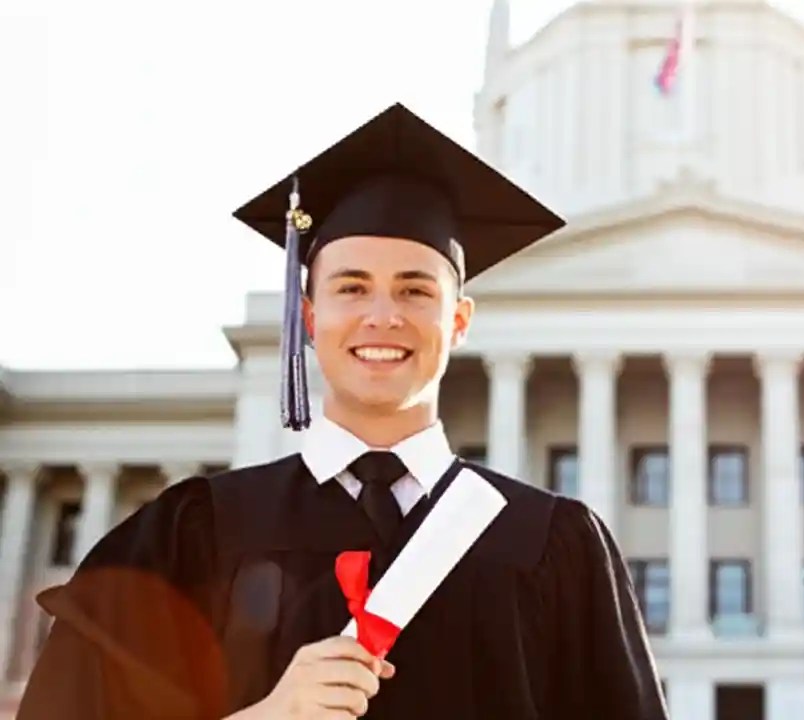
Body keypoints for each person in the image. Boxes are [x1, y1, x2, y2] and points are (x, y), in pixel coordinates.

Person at [18, 102, 669, 719]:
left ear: (460, 320)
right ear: (308, 316)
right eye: (351, 287)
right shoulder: (196, 534)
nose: (382, 316)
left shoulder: (553, 543)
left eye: (415, 290)